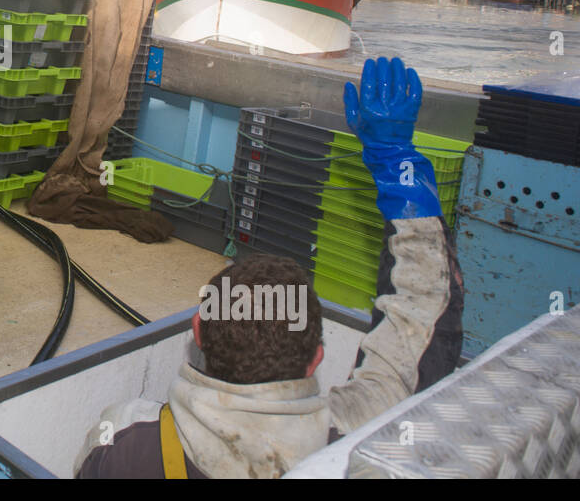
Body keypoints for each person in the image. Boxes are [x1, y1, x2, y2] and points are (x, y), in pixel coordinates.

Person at [76, 56, 464, 478]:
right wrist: (395, 161)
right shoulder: (361, 437)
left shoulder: (120, 441)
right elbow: (423, 314)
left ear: (199, 331)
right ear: (316, 359)